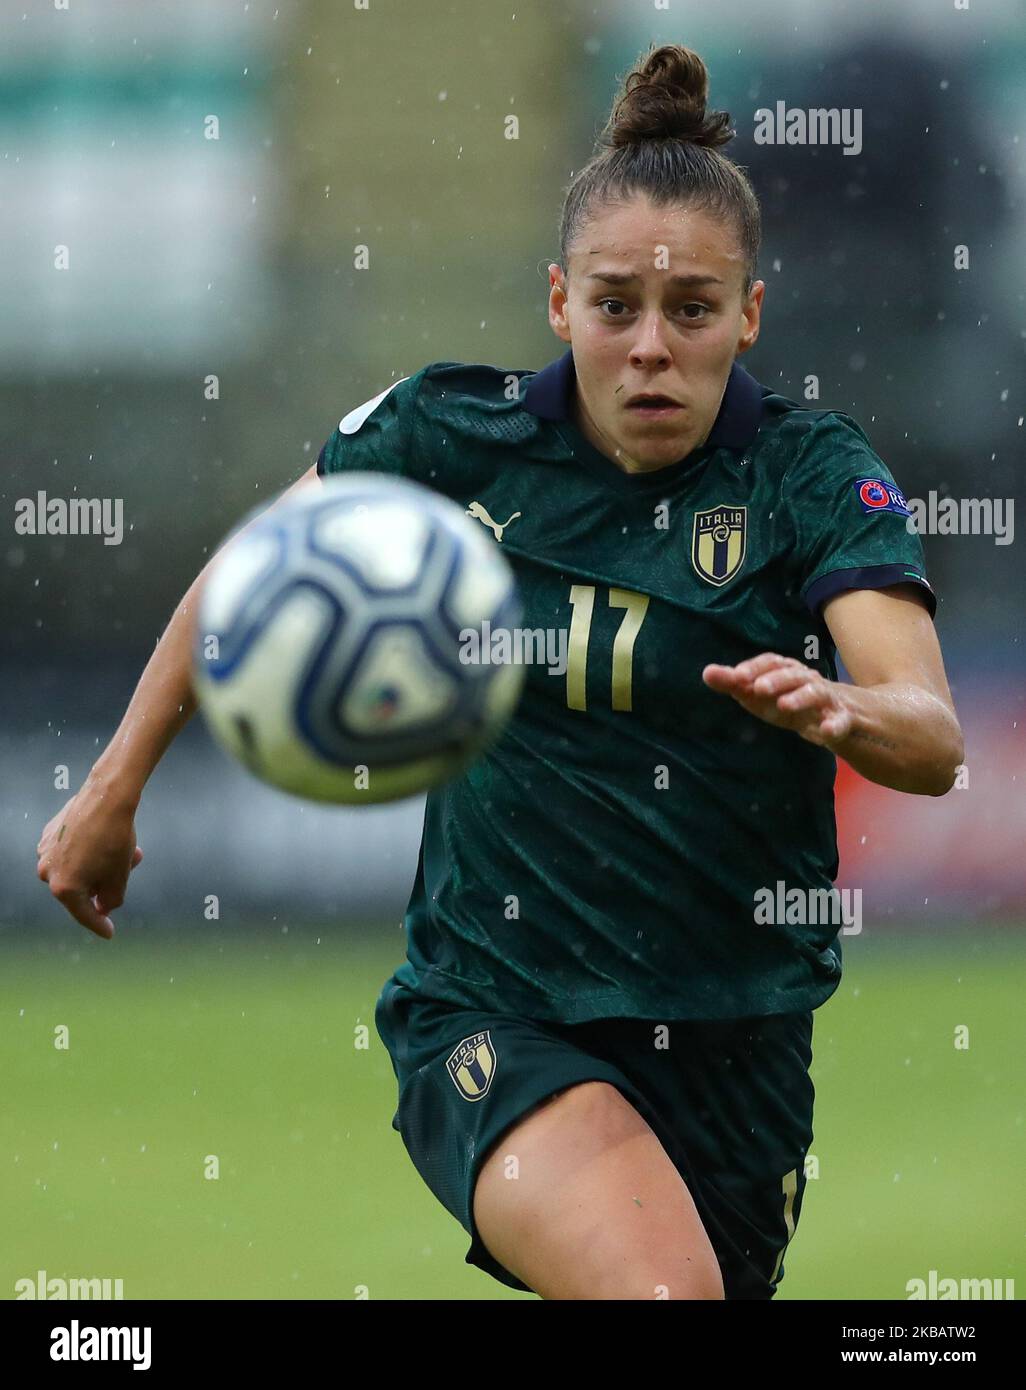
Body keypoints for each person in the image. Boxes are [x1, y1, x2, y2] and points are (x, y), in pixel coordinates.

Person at [36, 43, 963, 1300]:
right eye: (613, 305)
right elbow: (253, 579)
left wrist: (849, 706)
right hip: (494, 1012)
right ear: (556, 301)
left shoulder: (807, 479)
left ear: (748, 314)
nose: (650, 346)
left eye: (692, 309)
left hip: (737, 1042)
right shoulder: (451, 438)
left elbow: (931, 735)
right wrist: (114, 787)